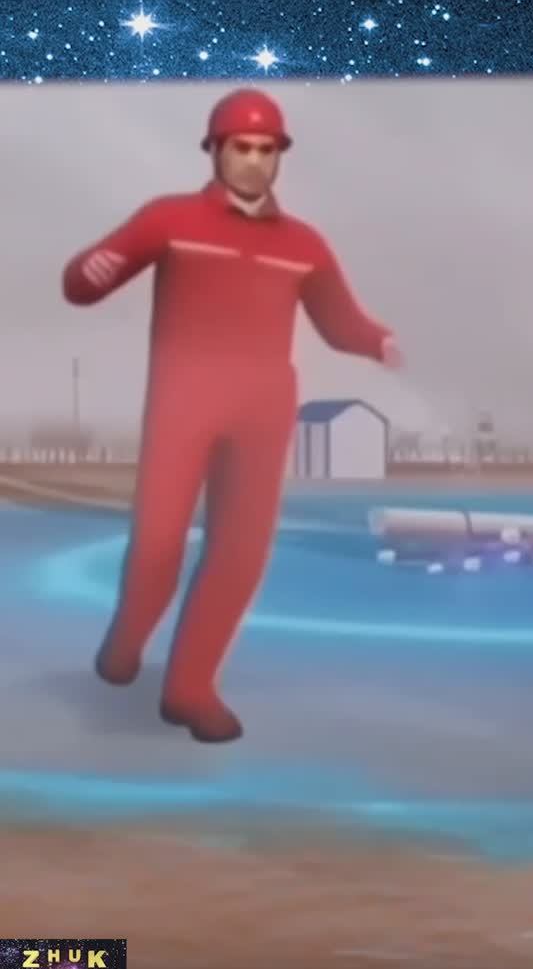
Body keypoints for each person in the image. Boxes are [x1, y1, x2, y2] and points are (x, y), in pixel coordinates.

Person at [62, 88, 404, 743]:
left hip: (263, 409)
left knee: (240, 552)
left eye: (266, 150)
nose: (253, 161)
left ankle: (190, 688)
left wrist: (380, 342)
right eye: (241, 148)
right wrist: (89, 273)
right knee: (158, 543)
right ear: (215, 150)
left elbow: (339, 321)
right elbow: (86, 281)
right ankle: (128, 638)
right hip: (184, 399)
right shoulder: (169, 219)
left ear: (278, 156)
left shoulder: (304, 244)